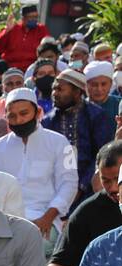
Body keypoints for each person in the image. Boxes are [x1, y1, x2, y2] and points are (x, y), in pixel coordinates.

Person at [0, 88, 76, 250]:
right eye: (12, 116)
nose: (18, 120)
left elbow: (69, 184)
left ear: (38, 112)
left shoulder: (59, 142)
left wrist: (47, 218)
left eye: (24, 113)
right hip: (4, 222)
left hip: (45, 219)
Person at [44, 141, 122, 266]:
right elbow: (63, 260)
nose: (112, 188)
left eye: (117, 179)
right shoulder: (88, 211)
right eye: (106, 180)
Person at [42, 68, 112, 209]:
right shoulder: (48, 121)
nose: (55, 94)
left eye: (60, 89)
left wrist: (80, 188)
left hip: (89, 186)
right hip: (55, 187)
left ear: (77, 92)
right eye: (54, 89)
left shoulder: (96, 116)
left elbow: (102, 155)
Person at [0, 2, 48, 73]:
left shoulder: (41, 29)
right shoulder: (13, 28)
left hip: (32, 68)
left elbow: (48, 47)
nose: (34, 19)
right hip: (10, 68)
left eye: (35, 17)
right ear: (23, 18)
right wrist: (6, 31)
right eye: (31, 17)